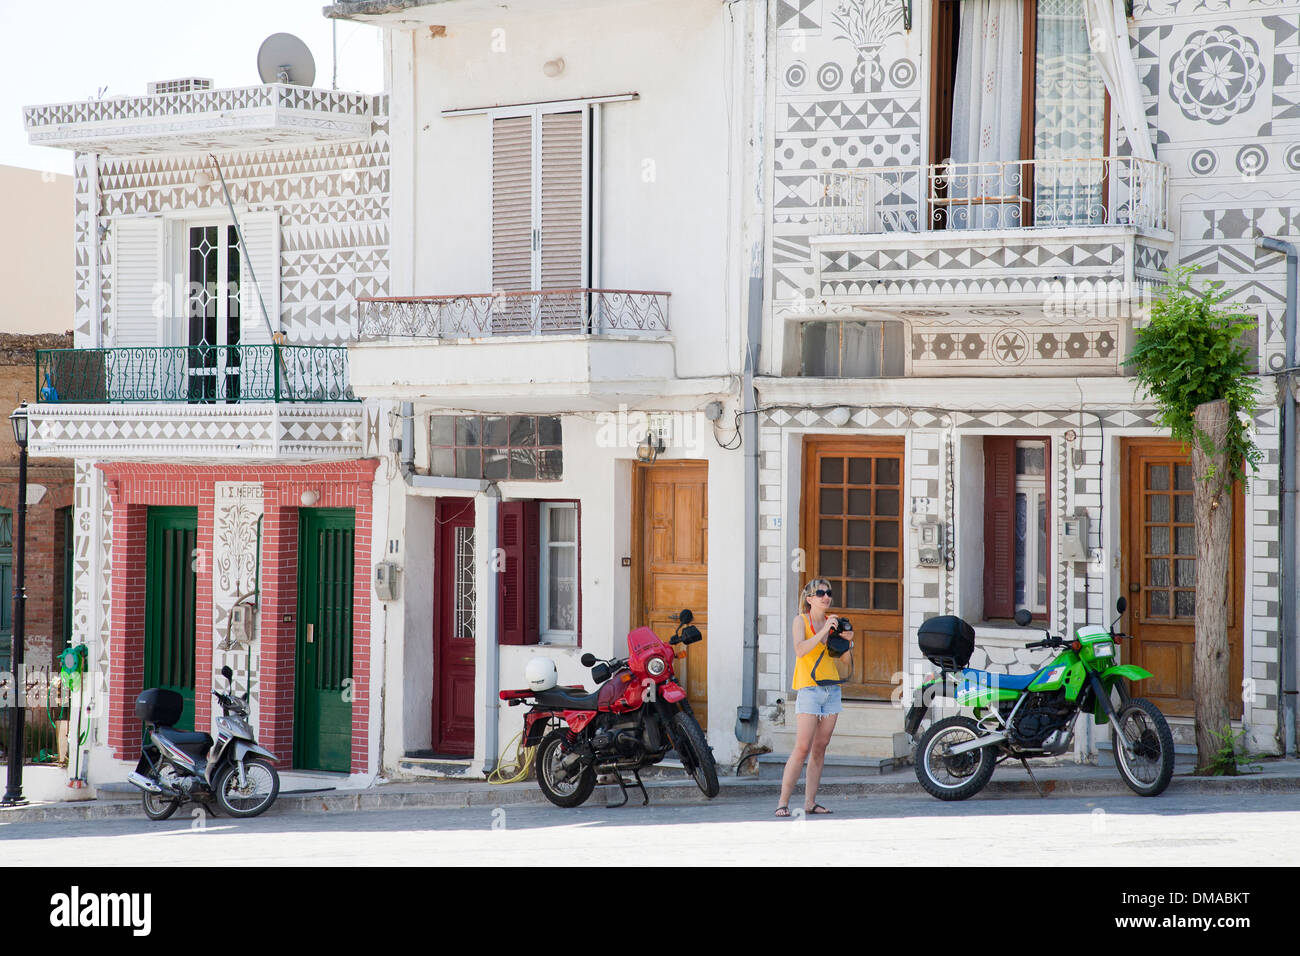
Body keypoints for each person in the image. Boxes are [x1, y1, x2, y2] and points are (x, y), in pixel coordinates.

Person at [775, 578, 854, 817]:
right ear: (809, 598)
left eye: (828, 593)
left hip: (831, 689)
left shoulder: (835, 624)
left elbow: (845, 662)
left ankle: (810, 802)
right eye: (820, 593)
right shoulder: (800, 621)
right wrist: (823, 631)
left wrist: (847, 642)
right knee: (802, 748)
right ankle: (782, 802)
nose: (826, 597)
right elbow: (800, 650)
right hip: (809, 689)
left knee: (820, 747)